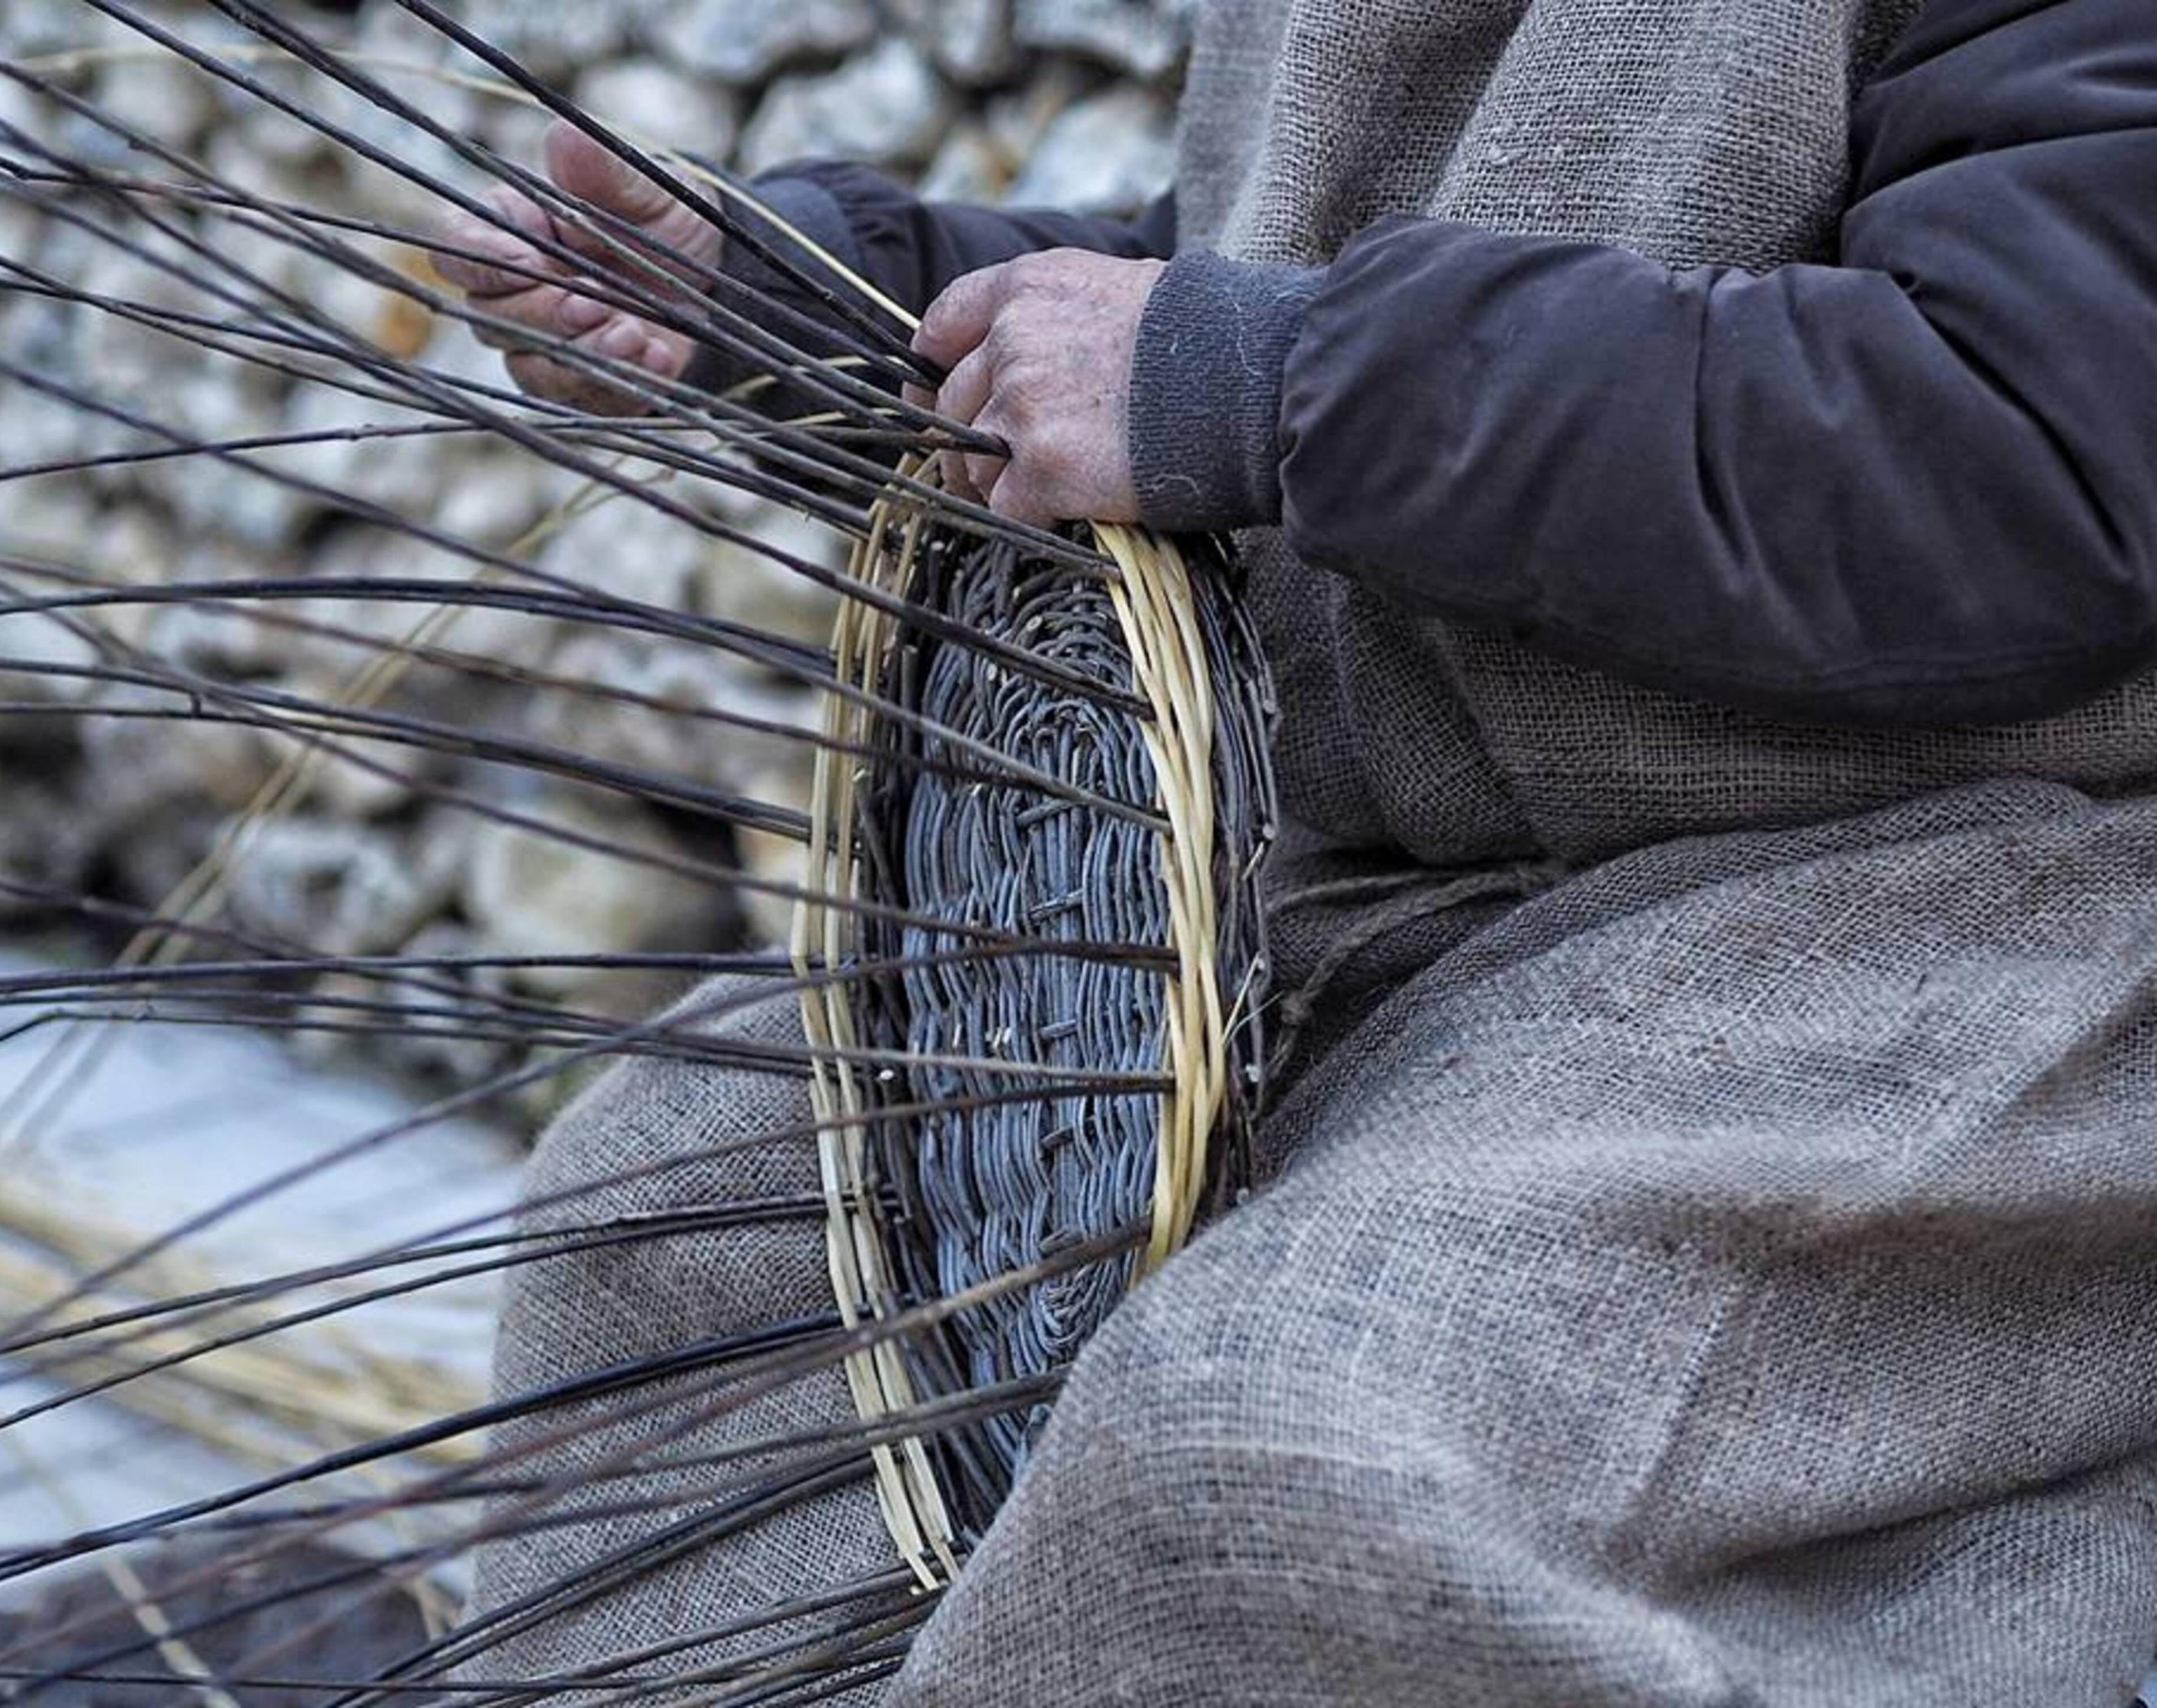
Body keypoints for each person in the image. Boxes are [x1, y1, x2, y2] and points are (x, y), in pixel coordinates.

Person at [438, 0, 2157, 1701]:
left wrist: (1255, 378)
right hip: (1360, 880)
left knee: (1273, 1444)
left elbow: (2025, 448)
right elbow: (1247, 260)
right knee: (674, 1209)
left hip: (1939, 917)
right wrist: (806, 303)